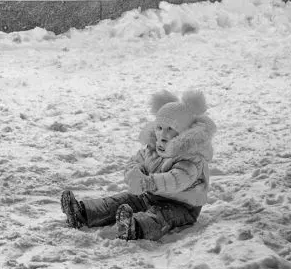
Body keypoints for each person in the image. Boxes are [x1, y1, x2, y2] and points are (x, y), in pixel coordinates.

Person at [60, 90, 216, 241]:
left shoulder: (192, 157)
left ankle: (136, 228)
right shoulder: (153, 148)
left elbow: (176, 179)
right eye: (160, 128)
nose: (162, 135)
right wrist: (135, 173)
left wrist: (148, 182)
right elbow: (135, 161)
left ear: (183, 134)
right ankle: (82, 213)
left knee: (160, 216)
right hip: (151, 195)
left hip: (182, 206)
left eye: (170, 129)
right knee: (122, 199)